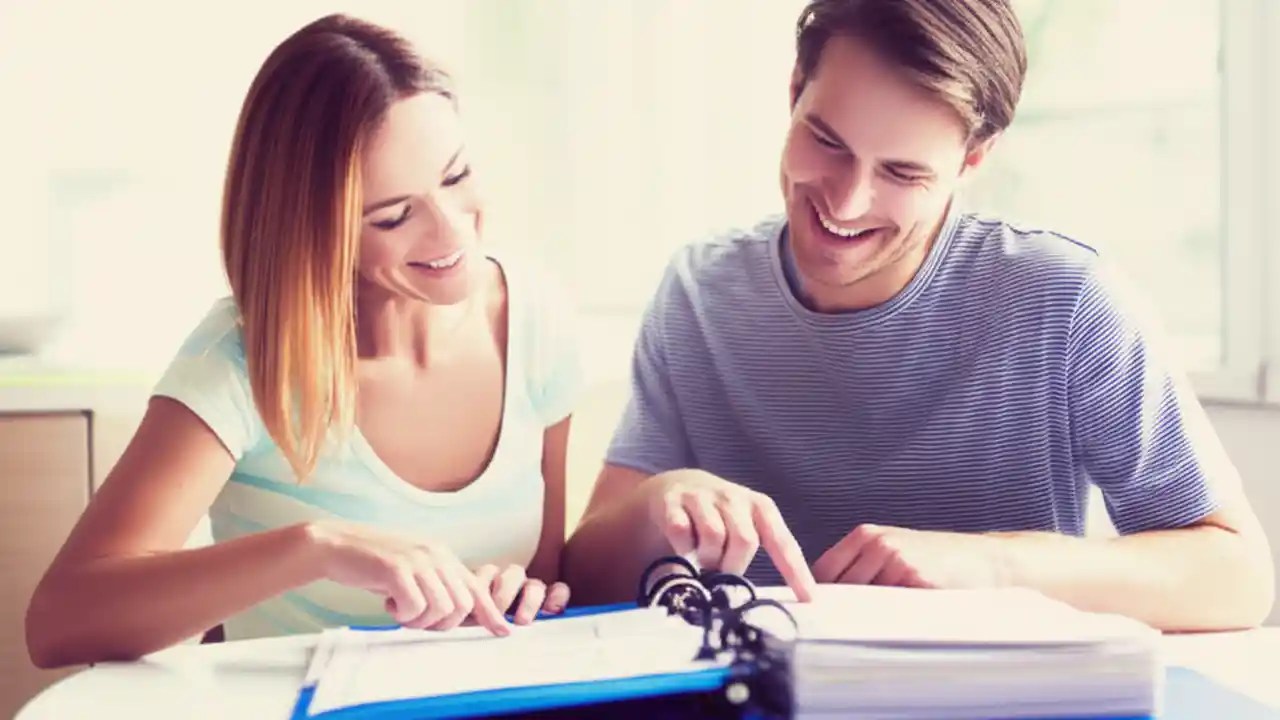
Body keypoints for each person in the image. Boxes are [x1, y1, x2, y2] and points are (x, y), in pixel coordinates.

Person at [564, 0, 1275, 631]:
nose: (844, 205)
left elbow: (1238, 577)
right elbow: (584, 571)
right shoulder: (698, 293)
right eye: (827, 142)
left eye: (902, 173)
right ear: (792, 95)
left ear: (973, 159)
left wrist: (994, 567)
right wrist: (660, 507)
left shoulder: (1066, 303)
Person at [27, 13, 582, 668]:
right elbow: (60, 623)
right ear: (315, 229)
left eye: (456, 177)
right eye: (395, 215)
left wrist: (523, 596)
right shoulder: (240, 362)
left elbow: (548, 585)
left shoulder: (535, 321)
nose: (451, 231)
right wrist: (311, 548)